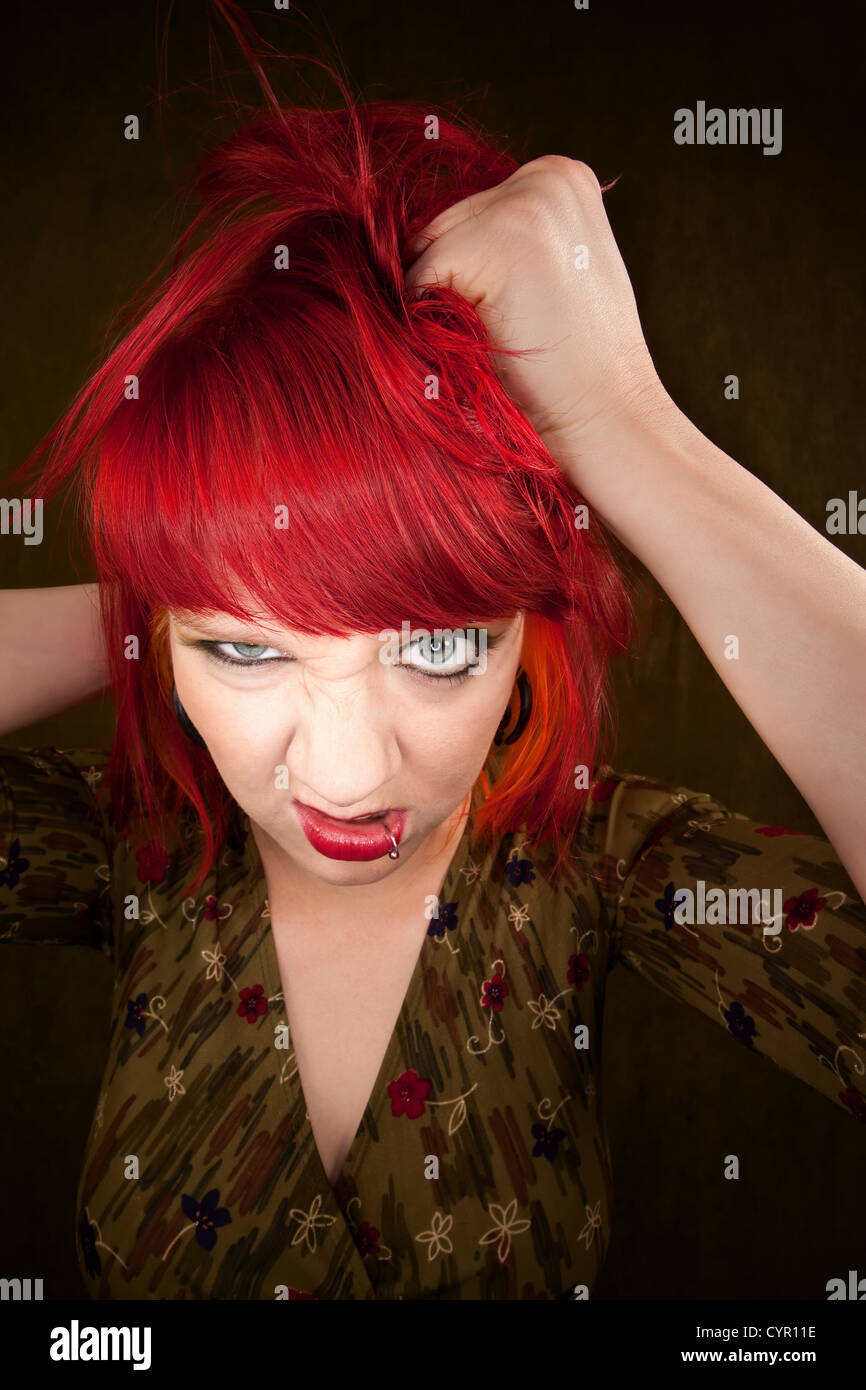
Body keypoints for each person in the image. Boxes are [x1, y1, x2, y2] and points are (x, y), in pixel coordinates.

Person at [2, 71, 864, 1302]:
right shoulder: (136, 851)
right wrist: (169, 583)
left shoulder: (599, 863)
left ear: (528, 633)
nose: (349, 773)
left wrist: (626, 426)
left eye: (440, 646)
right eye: (242, 651)